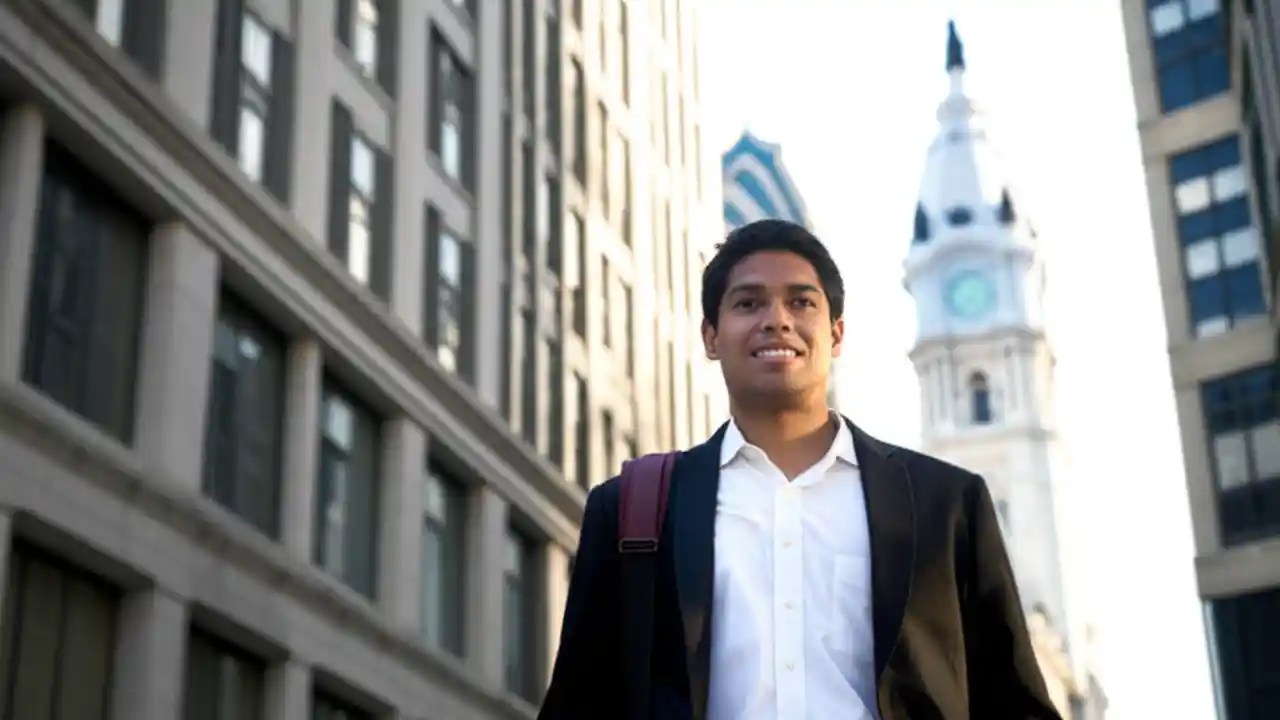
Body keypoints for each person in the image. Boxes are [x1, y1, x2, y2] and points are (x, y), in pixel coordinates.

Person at [538, 219, 1061, 719]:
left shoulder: (946, 505)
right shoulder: (632, 509)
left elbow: (1013, 704)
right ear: (711, 337)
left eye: (801, 302)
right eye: (748, 303)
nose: (777, 319)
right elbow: (578, 705)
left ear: (836, 334)